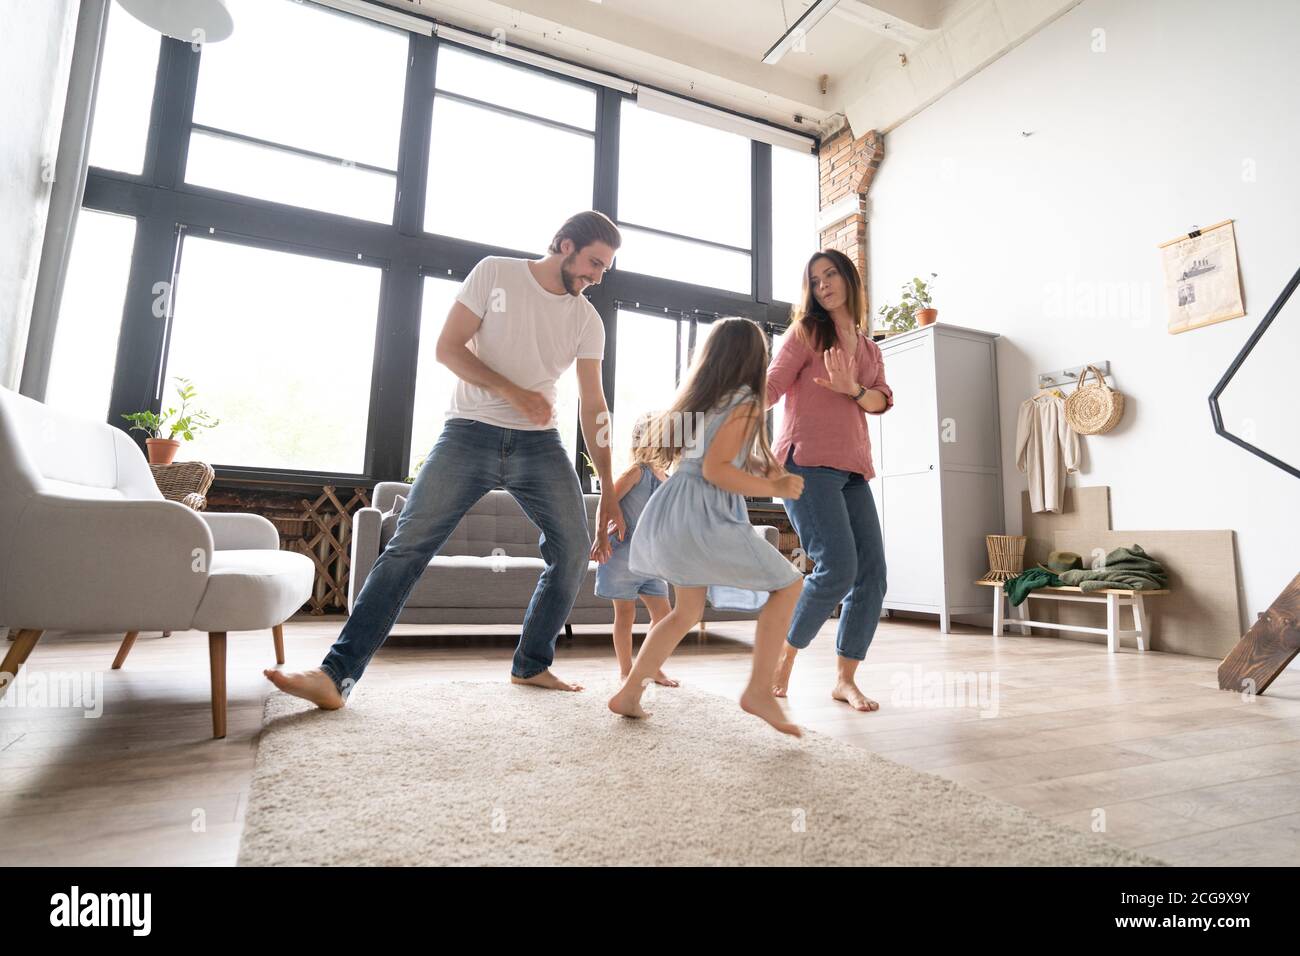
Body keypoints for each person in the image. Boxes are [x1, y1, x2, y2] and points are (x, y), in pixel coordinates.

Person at [266, 211, 625, 708]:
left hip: (540, 445)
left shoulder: (587, 319)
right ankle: (336, 676)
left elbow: (595, 404)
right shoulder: (495, 273)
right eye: (593, 263)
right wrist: (514, 392)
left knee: (572, 551)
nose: (598, 276)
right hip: (467, 434)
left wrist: (607, 487)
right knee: (408, 547)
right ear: (564, 245)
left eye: (605, 268)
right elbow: (448, 349)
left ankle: (533, 665)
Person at [607, 318, 806, 737]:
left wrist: (756, 463)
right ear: (753, 358)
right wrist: (775, 485)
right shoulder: (746, 400)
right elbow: (717, 470)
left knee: (686, 611)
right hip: (704, 513)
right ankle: (758, 690)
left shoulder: (707, 400)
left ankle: (630, 693)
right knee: (789, 585)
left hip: (675, 510)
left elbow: (715, 456)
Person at [766, 249, 894, 712]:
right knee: (837, 568)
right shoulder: (806, 333)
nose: (823, 285)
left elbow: (879, 400)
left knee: (873, 575)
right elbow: (773, 385)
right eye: (815, 280)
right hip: (807, 463)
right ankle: (783, 658)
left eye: (831, 275)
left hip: (853, 469)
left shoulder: (870, 348)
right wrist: (729, 396)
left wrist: (852, 390)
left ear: (849, 280)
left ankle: (844, 679)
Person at [593, 413, 677, 687]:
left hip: (651, 560)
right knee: (626, 614)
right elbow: (607, 503)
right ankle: (626, 670)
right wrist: (600, 538)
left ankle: (650, 665)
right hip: (622, 557)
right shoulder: (636, 472)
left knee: (664, 615)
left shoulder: (667, 477)